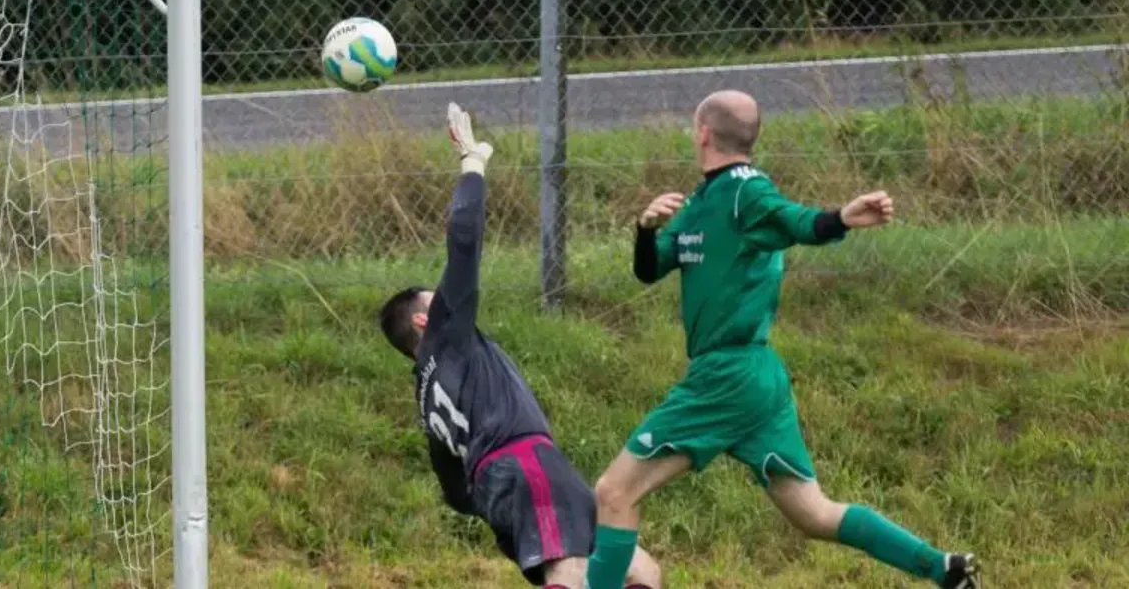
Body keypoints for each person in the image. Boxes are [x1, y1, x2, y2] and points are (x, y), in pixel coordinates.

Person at [584, 90, 982, 589]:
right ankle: (942, 568)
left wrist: (840, 218)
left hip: (726, 376)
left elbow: (795, 221)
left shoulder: (747, 193)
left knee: (614, 493)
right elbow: (650, 269)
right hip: (755, 381)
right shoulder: (703, 200)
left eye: (693, 128)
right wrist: (645, 229)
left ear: (703, 133)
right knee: (813, 515)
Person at [378, 103, 662, 589]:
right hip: (524, 463)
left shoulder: (425, 395)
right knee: (570, 571)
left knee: (639, 569)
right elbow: (463, 242)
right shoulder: (446, 332)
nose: (448, 299)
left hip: (510, 477)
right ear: (426, 319)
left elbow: (452, 489)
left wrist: (493, 495)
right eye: (436, 298)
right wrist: (472, 165)